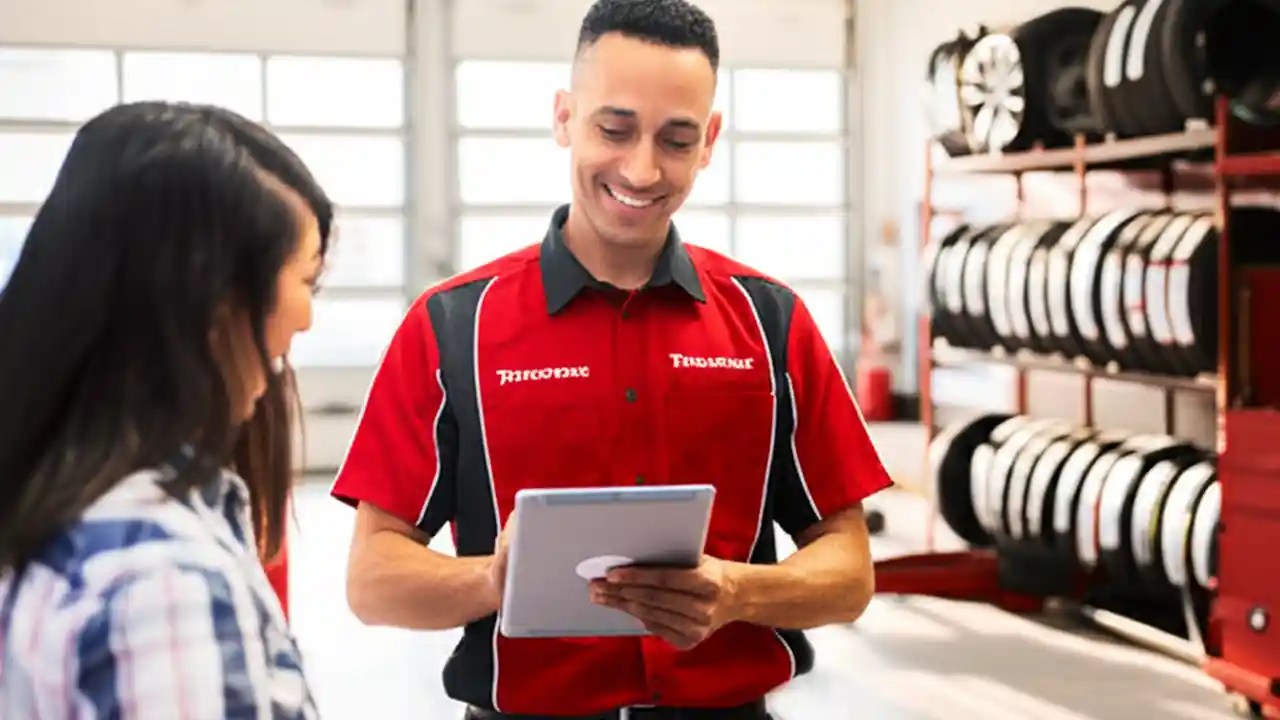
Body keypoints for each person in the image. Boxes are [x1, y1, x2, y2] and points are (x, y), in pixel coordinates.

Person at [333, 0, 893, 717]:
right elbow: (373, 579)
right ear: (564, 117)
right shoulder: (452, 327)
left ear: (711, 138)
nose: (643, 168)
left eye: (677, 139)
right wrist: (495, 581)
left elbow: (849, 571)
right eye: (615, 128)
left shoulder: (770, 321)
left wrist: (736, 592)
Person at [0, 101, 332, 719]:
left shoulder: (54, 500)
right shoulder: (161, 578)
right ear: (215, 299)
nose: (306, 320)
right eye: (306, 280)